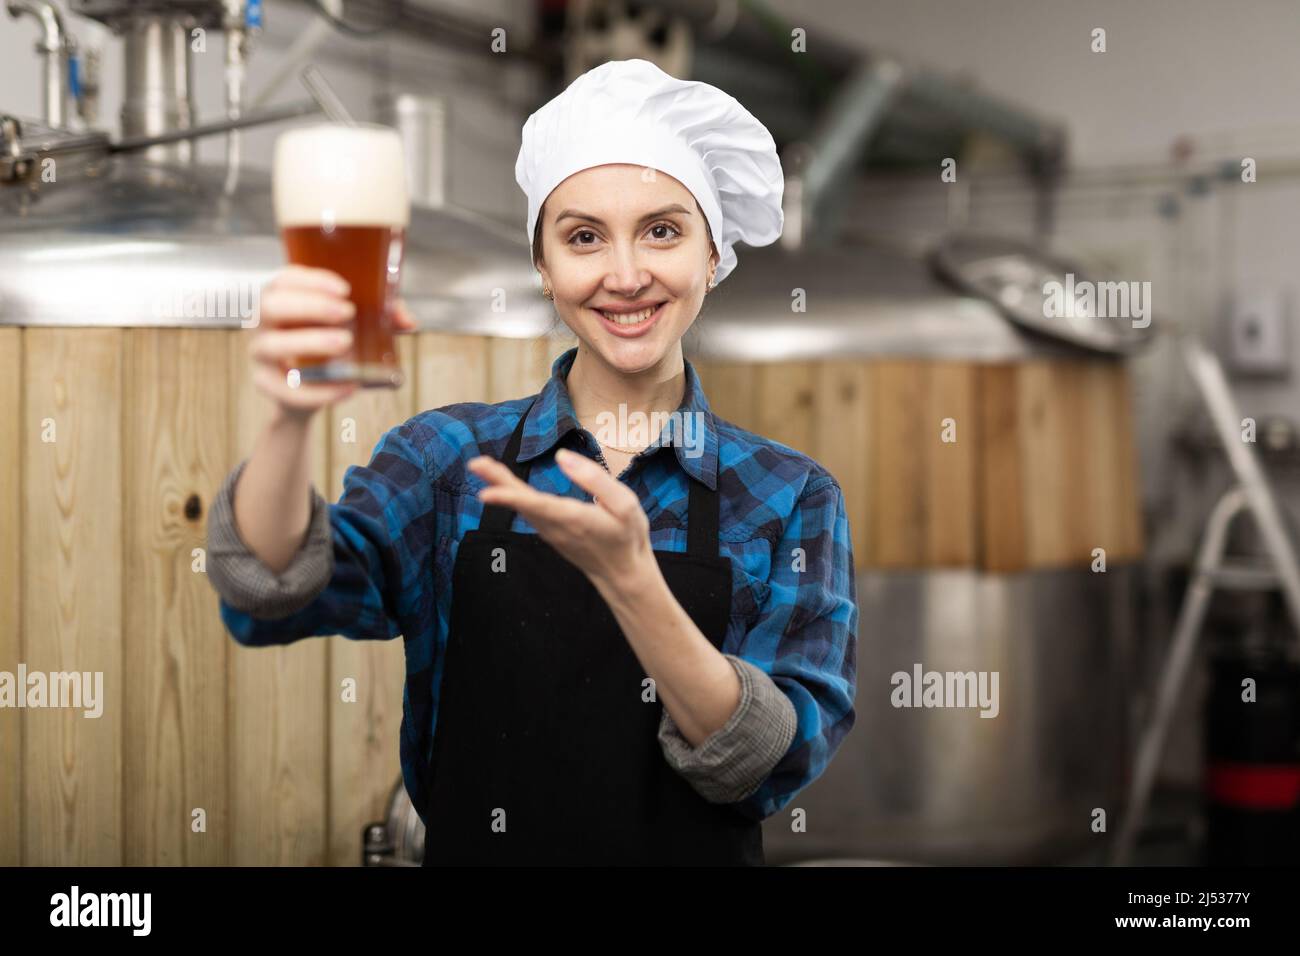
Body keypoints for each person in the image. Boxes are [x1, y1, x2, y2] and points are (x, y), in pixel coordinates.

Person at [206, 58, 858, 866]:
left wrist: (632, 581)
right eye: (584, 237)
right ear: (544, 268)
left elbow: (768, 763)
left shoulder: (789, 497)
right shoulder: (447, 461)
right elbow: (272, 588)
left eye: (663, 230)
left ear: (714, 253)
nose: (626, 275)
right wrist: (289, 416)